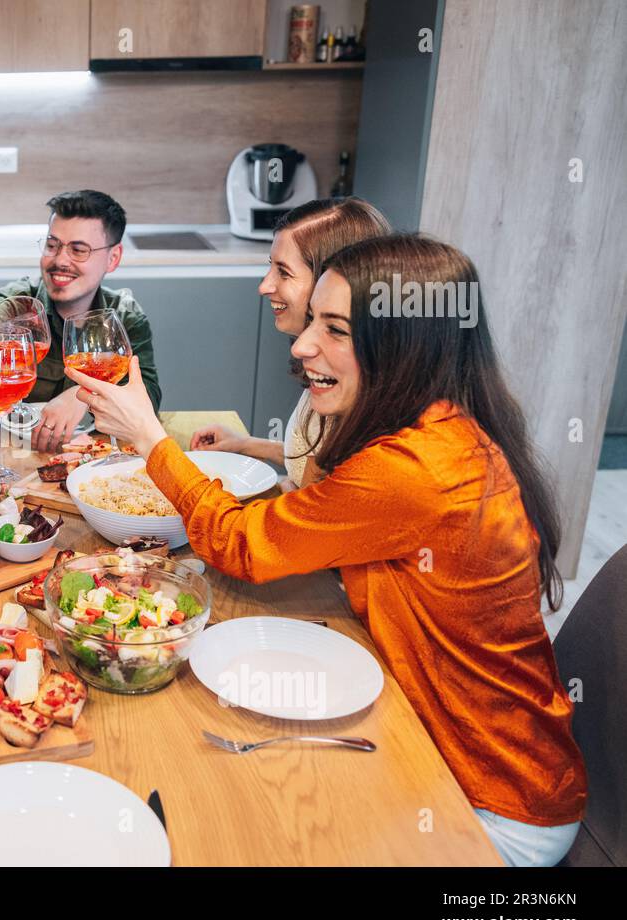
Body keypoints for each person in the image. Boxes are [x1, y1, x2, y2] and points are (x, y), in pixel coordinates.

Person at [68, 234, 586, 866]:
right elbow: (303, 518)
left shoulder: (415, 469)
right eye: (313, 318)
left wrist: (151, 438)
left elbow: (244, 545)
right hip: (444, 746)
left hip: (490, 800)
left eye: (335, 329)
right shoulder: (432, 426)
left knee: (263, 830)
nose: (302, 344)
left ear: (405, 347)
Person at [190, 198, 391, 488]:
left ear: (332, 280)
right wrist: (245, 444)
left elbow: (313, 493)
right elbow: (309, 458)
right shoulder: (331, 370)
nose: (264, 286)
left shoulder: (351, 395)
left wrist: (150, 438)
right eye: (271, 267)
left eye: (283, 272)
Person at [0, 189, 161, 452]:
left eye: (78, 250)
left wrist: (84, 396)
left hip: (94, 453)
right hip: (16, 451)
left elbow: (148, 398)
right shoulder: (16, 303)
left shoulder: (125, 315)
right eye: (52, 245)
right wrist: (10, 354)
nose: (60, 260)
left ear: (113, 258)